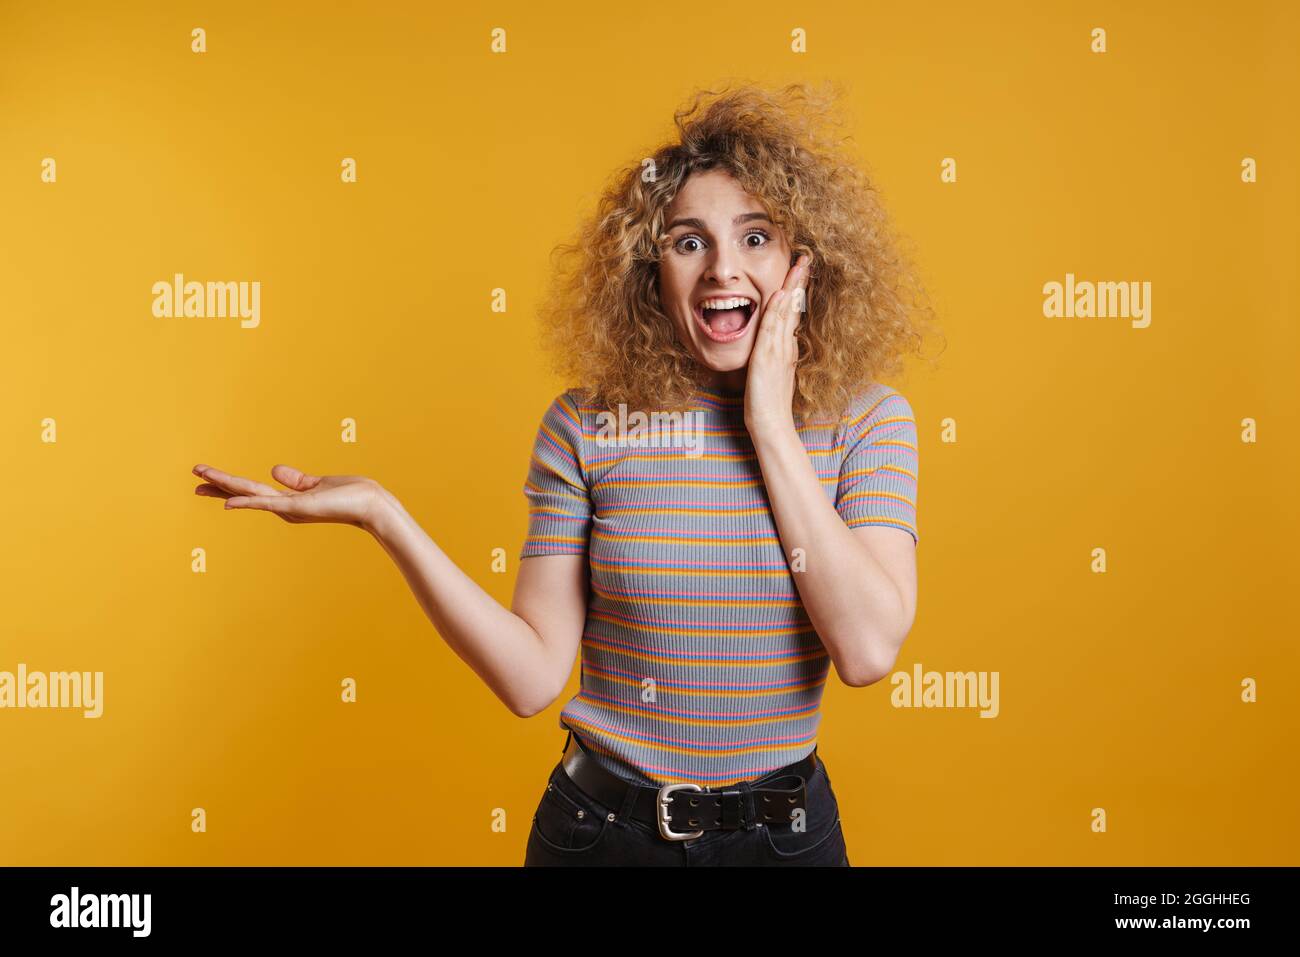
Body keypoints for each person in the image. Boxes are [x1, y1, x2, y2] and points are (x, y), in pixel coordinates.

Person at [190, 82, 938, 867]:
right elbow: (530, 677)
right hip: (603, 836)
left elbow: (866, 651)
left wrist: (771, 425)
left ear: (802, 262)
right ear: (650, 271)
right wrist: (383, 514)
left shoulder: (868, 421)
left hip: (785, 842)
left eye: (756, 237)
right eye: (688, 242)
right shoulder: (588, 425)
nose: (723, 268)